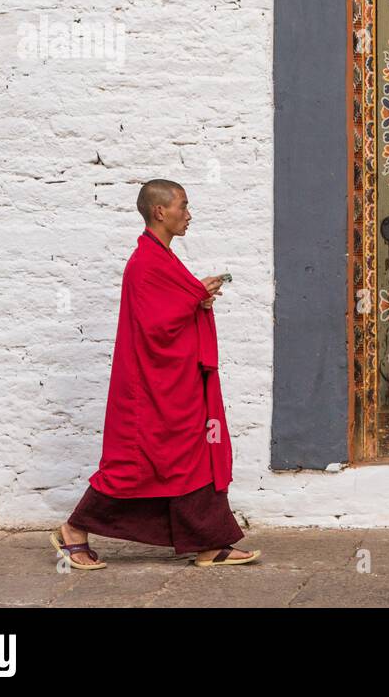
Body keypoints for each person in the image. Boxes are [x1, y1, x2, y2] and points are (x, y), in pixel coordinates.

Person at [51, 179, 259, 569]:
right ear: (159, 211)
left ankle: (211, 543)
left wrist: (196, 296)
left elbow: (172, 308)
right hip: (149, 389)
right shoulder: (144, 262)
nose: (189, 214)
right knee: (134, 463)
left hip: (178, 385)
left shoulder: (163, 257)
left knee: (196, 456)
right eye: (183, 205)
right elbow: (154, 326)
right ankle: (74, 529)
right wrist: (194, 296)